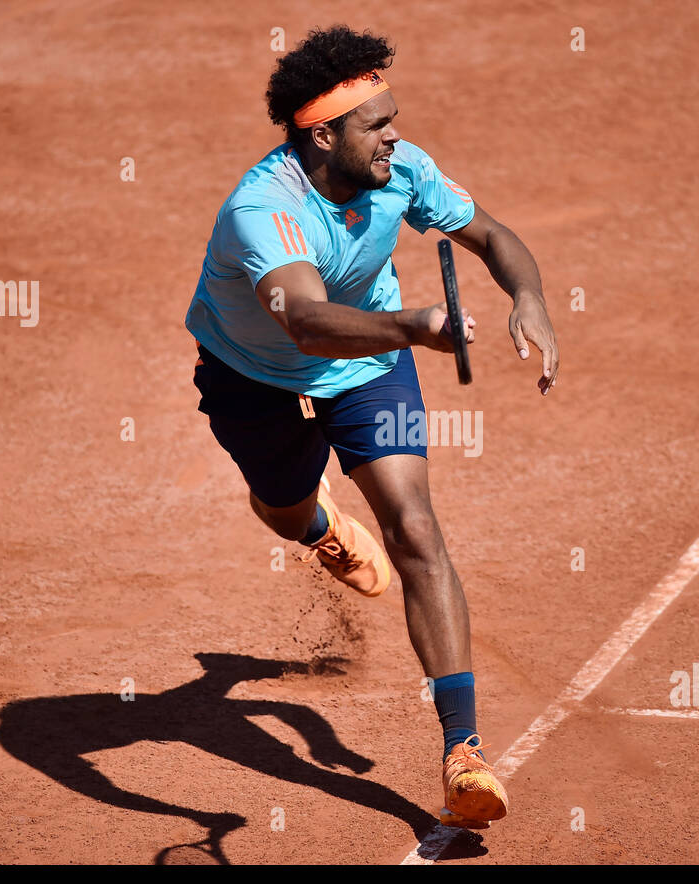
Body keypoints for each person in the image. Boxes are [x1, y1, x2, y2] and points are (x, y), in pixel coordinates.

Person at [184, 24, 559, 830]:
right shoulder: (264, 208)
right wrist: (415, 326)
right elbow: (307, 322)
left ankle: (464, 752)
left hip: (368, 366)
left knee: (415, 527)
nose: (394, 136)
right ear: (323, 136)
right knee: (283, 508)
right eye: (376, 125)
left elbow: (492, 236)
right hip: (256, 377)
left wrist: (527, 295)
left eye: (393, 119)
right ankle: (318, 524)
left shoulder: (402, 170)